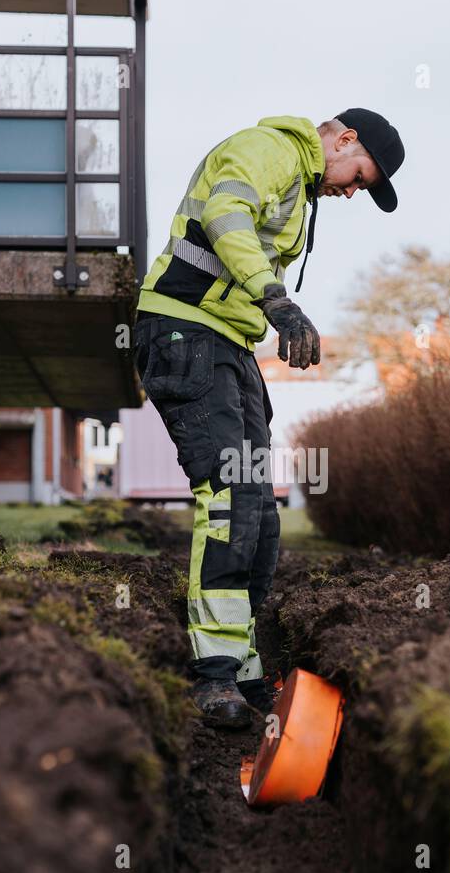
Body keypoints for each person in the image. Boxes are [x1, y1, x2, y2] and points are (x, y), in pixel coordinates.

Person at [132, 109, 405, 727]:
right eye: (360, 176)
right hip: (183, 331)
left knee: (260, 506)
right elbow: (225, 218)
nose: (352, 190)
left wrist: (266, 316)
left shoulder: (299, 187)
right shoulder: (269, 150)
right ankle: (214, 675)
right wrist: (277, 300)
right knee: (230, 496)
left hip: (226, 343)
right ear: (344, 139)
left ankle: (246, 668)